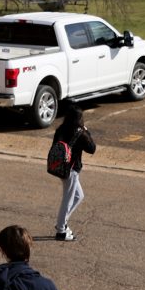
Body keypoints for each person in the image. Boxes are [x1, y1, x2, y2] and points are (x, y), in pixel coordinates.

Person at [51, 101, 95, 241]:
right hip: (72, 170)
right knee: (68, 199)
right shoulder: (80, 132)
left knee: (78, 196)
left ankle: (61, 223)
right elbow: (92, 148)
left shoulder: (61, 129)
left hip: (60, 167)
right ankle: (61, 231)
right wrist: (86, 131)